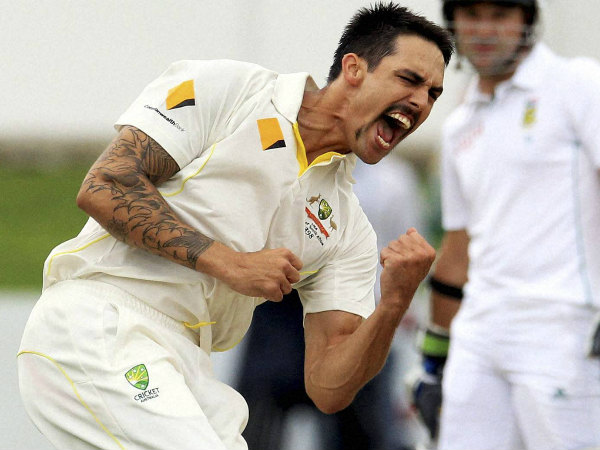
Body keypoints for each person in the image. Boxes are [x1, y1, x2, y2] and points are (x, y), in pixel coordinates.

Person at [17, 3, 453, 450]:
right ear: (354, 68)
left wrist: (394, 301)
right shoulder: (233, 89)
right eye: (409, 79)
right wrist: (230, 263)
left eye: (434, 94)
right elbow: (105, 185)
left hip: (188, 361)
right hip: (99, 322)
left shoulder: (350, 229)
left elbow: (328, 387)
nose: (421, 102)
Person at [412, 1, 600, 449]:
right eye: (472, 15)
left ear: (527, 21)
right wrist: (434, 363)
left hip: (564, 327)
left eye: (500, 15)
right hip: (479, 332)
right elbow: (457, 248)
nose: (484, 30)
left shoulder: (577, 83)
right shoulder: (459, 124)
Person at [236, 155, 426, 450]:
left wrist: (394, 306)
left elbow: (404, 243)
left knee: (358, 428)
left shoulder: (393, 181)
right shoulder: (287, 160)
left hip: (356, 309)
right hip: (282, 304)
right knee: (255, 422)